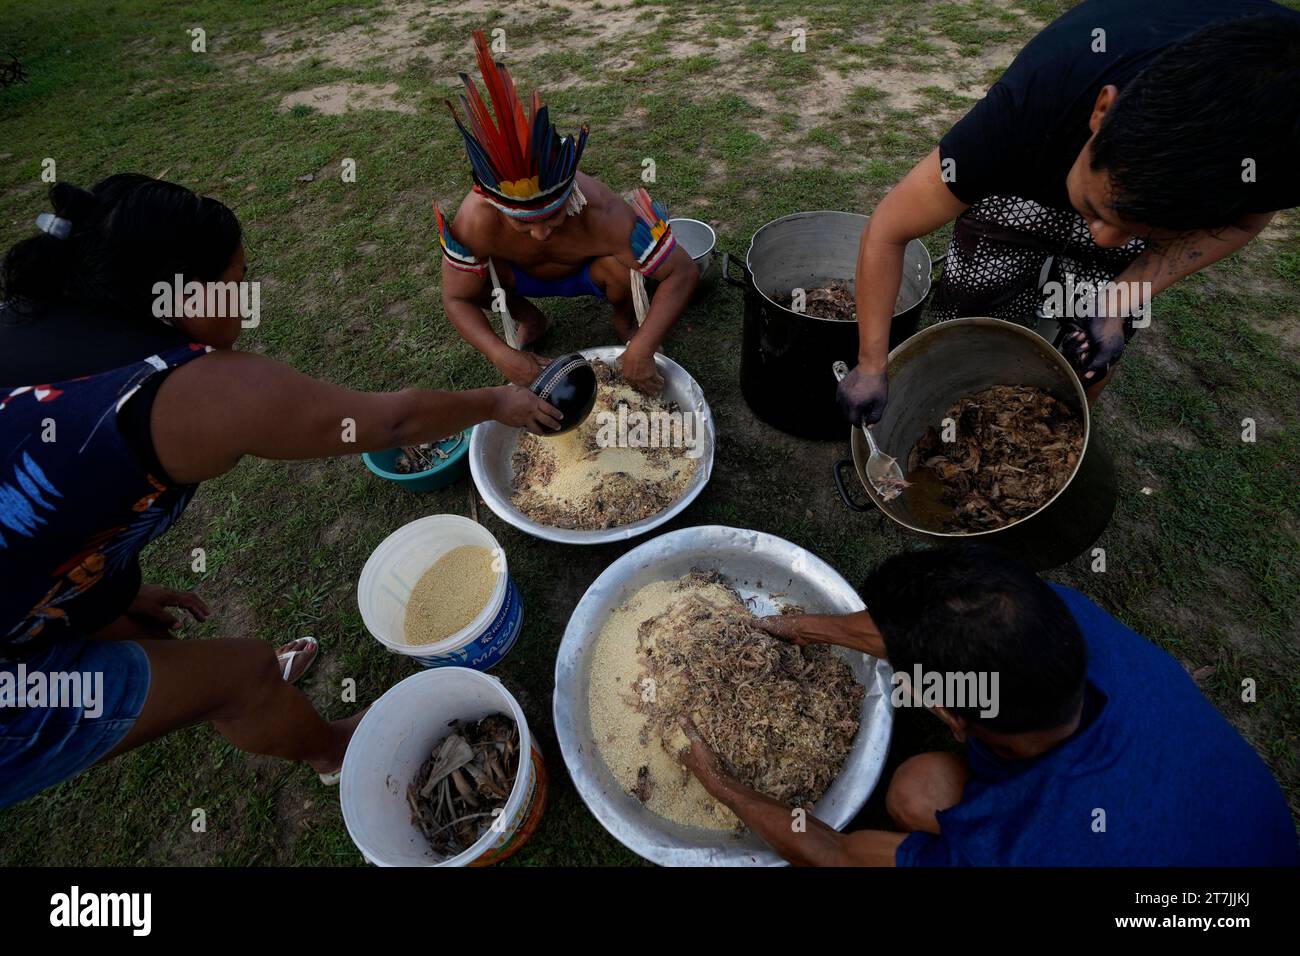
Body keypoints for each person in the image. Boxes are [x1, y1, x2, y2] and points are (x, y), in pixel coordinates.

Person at [0, 174, 560, 808]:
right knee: (243, 673)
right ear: (182, 290)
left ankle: (167, 658)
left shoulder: (44, 320)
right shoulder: (196, 392)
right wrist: (497, 401)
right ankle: (335, 752)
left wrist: (98, 588)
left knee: (130, 621)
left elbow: (45, 512)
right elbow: (392, 423)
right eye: (238, 279)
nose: (248, 296)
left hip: (22, 601)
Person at [679, 546, 1298, 866]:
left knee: (911, 796)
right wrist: (804, 628)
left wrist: (721, 782)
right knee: (920, 789)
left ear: (950, 713)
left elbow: (835, 854)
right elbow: (929, 628)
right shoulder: (1051, 617)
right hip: (1243, 833)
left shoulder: (1025, 852)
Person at [837, 0, 1300, 426]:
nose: (1101, 239)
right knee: (978, 285)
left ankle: (1063, 425)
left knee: (1095, 340)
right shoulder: (1029, 109)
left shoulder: (1281, 151)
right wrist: (873, 364)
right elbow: (888, 230)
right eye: (1099, 211)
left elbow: (1244, 221)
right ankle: (953, 387)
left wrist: (1122, 296)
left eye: (1143, 229)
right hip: (1045, 144)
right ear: (1103, 112)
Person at [436, 30, 698, 396]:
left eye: (554, 218)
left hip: (588, 273)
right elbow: (455, 298)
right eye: (523, 224)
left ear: (570, 198)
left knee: (626, 271)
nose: (542, 233)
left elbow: (681, 271)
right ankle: (531, 319)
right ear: (496, 209)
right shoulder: (476, 220)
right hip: (518, 278)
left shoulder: (602, 211)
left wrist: (642, 347)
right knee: (474, 282)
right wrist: (499, 353)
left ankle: (624, 322)